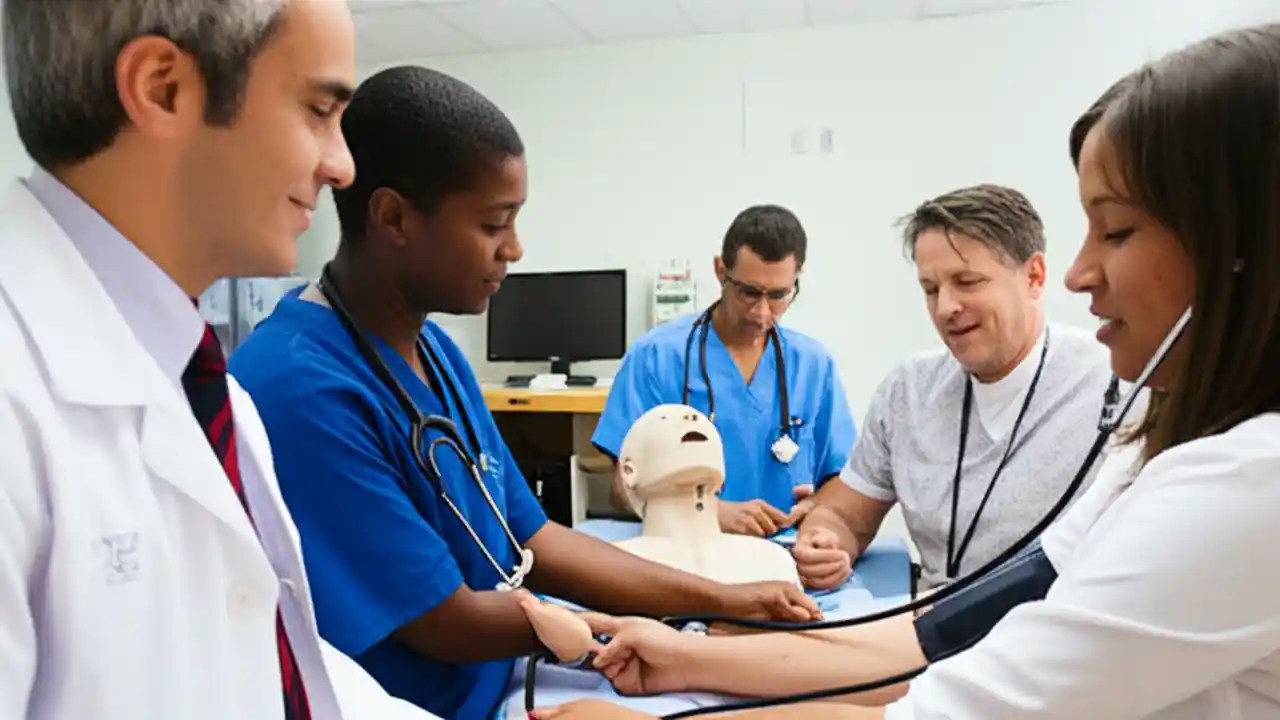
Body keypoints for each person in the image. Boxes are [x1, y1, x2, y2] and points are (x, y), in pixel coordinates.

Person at [529, 21, 1280, 720]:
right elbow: (934, 636)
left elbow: (948, 705)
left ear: (1243, 248)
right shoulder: (1143, 444)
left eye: (1116, 230)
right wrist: (683, 658)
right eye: (928, 289)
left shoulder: (1248, 479)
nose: (1085, 275)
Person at [228, 65, 820, 720]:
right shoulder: (298, 387)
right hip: (437, 705)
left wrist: (720, 597)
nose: (515, 247)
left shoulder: (435, 353)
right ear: (394, 217)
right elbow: (445, 624)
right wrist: (650, 624)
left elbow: (533, 538)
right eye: (493, 224)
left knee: (811, 694)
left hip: (512, 674)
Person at [0, 1, 442, 718]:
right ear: (162, 89)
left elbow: (259, 662)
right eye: (317, 111)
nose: (342, 165)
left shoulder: (199, 382)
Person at [794, 184, 1114, 592]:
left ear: (1034, 276)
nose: (945, 308)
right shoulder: (908, 392)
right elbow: (843, 515)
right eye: (930, 289)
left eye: (967, 281)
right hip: (930, 633)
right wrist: (825, 541)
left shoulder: (1110, 384)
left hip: (1051, 635)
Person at [593, 205, 857, 536]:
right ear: (720, 271)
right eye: (748, 292)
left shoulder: (813, 365)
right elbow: (621, 489)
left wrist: (821, 508)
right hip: (684, 547)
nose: (761, 313)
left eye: (778, 295)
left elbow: (843, 478)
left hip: (785, 552)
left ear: (796, 280)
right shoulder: (656, 358)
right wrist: (703, 512)